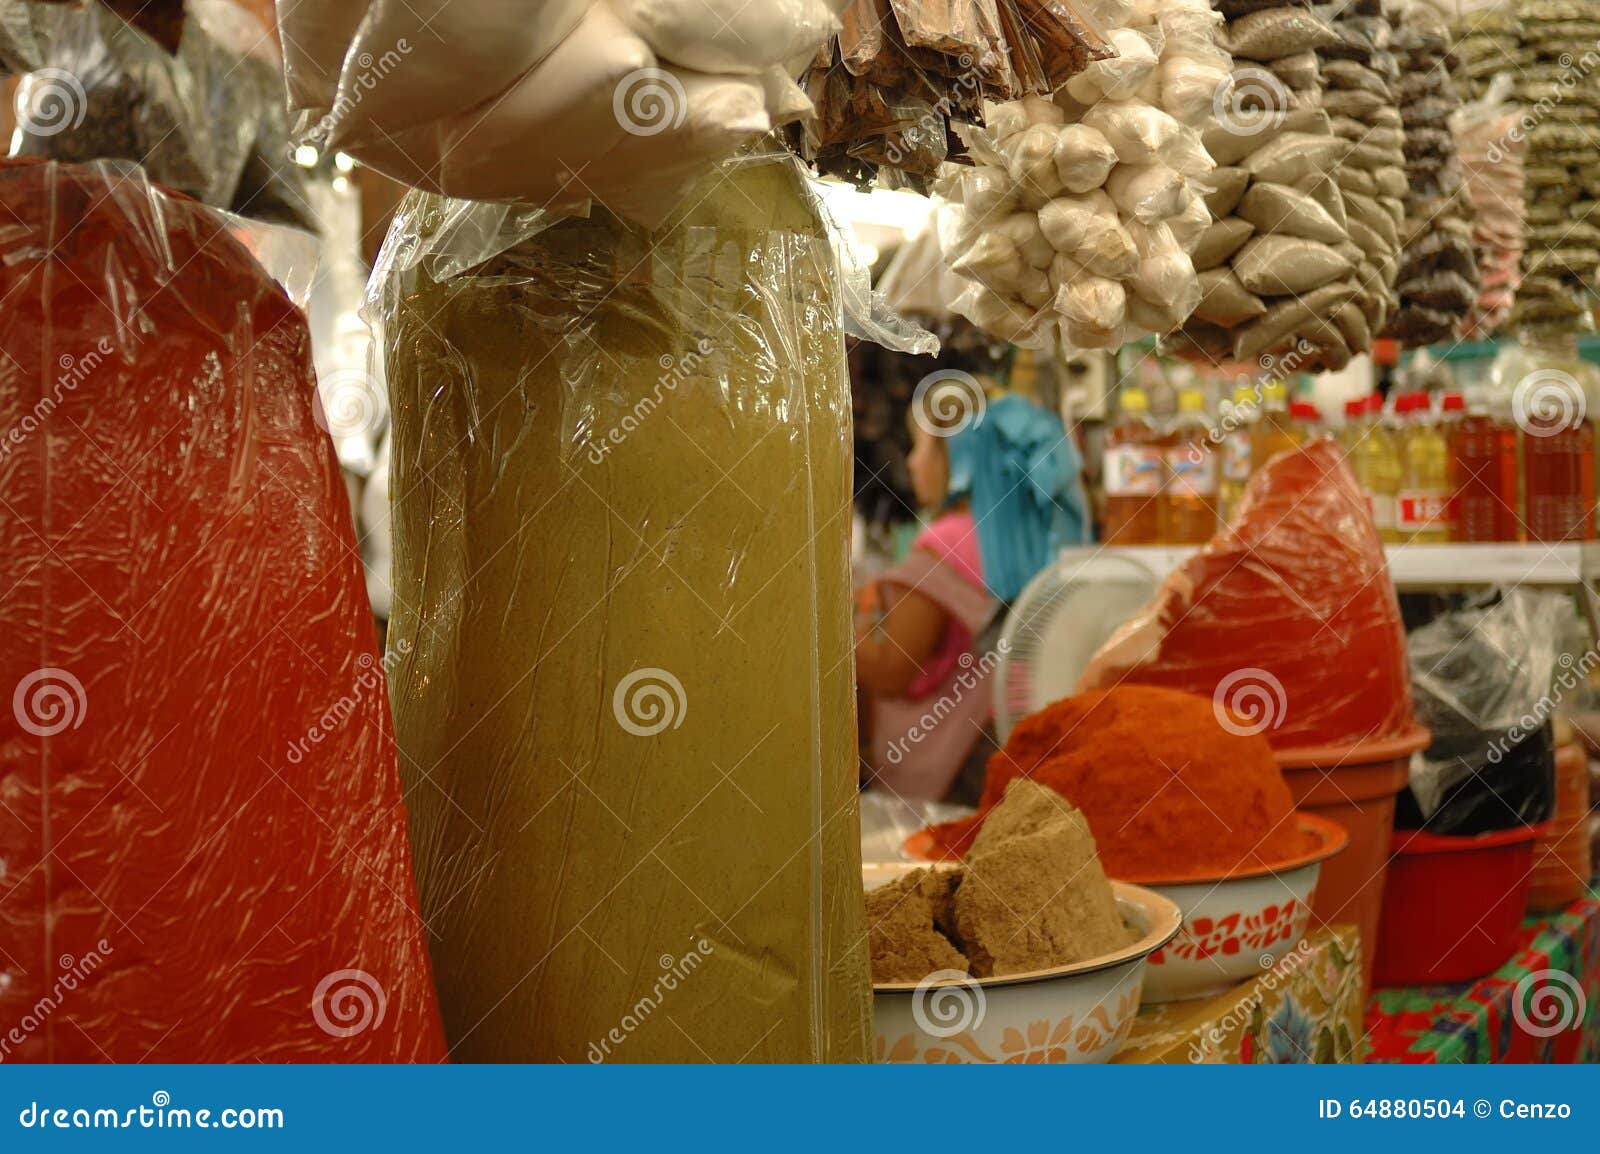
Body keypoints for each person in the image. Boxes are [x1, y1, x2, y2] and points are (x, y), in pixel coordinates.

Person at [856, 385, 1088, 802]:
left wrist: (838, 623)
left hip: (953, 770)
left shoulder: (946, 542)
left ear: (960, 458)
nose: (911, 462)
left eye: (921, 447)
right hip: (1009, 743)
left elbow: (893, 671)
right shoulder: (1026, 543)